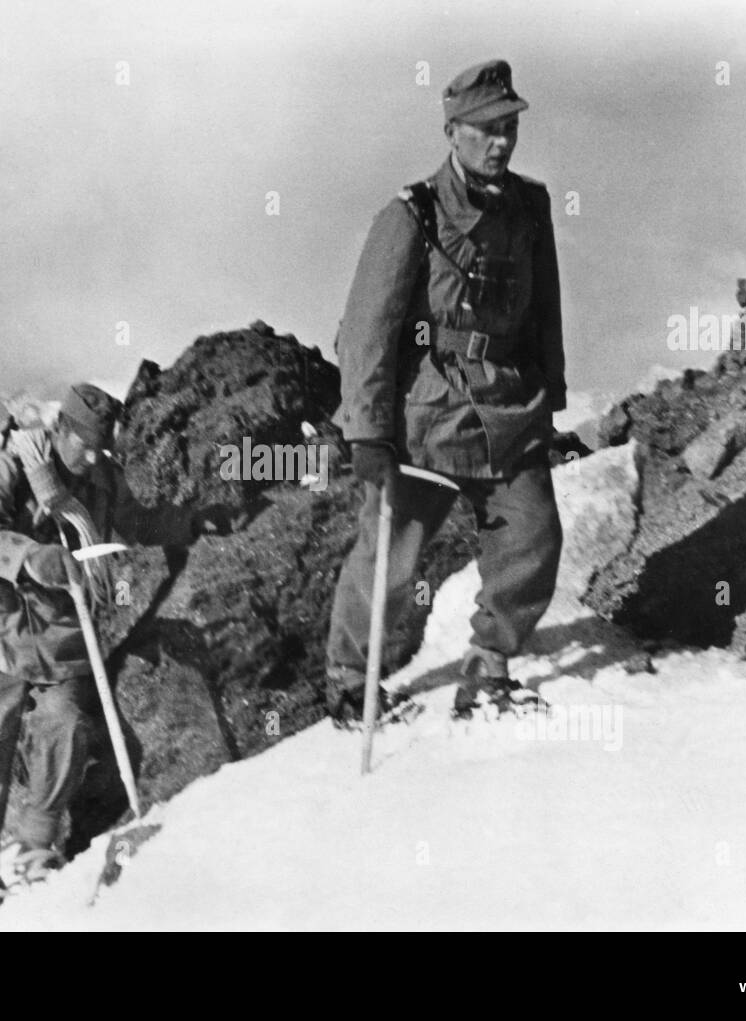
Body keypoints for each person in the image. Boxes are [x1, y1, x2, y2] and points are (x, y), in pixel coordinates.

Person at [327, 58, 567, 722]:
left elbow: (544, 304)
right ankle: (351, 678)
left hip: (511, 407)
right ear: (453, 131)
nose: (502, 141)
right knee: (391, 560)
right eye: (487, 129)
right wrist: (367, 431)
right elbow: (367, 330)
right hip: (428, 415)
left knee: (532, 536)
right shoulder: (411, 215)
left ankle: (489, 666)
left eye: (509, 127)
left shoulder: (530, 207)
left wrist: (554, 390)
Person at [0, 382, 230, 905]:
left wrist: (189, 522)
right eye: (84, 446)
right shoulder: (12, 470)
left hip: (59, 637)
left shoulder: (102, 480)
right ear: (60, 431)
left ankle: (36, 847)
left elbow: (135, 521)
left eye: (101, 447)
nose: (93, 458)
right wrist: (29, 556)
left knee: (66, 726)